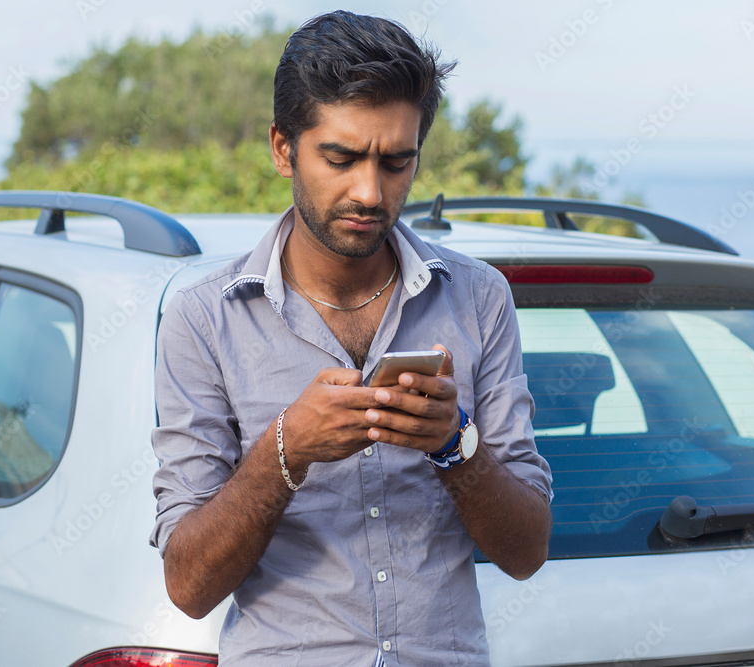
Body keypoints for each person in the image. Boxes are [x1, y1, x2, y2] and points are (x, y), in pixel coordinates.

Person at [150, 10, 552, 666]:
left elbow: (527, 552)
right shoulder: (203, 319)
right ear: (283, 148)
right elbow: (189, 587)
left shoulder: (480, 298)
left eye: (397, 162)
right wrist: (285, 451)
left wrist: (456, 444)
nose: (370, 191)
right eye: (340, 158)